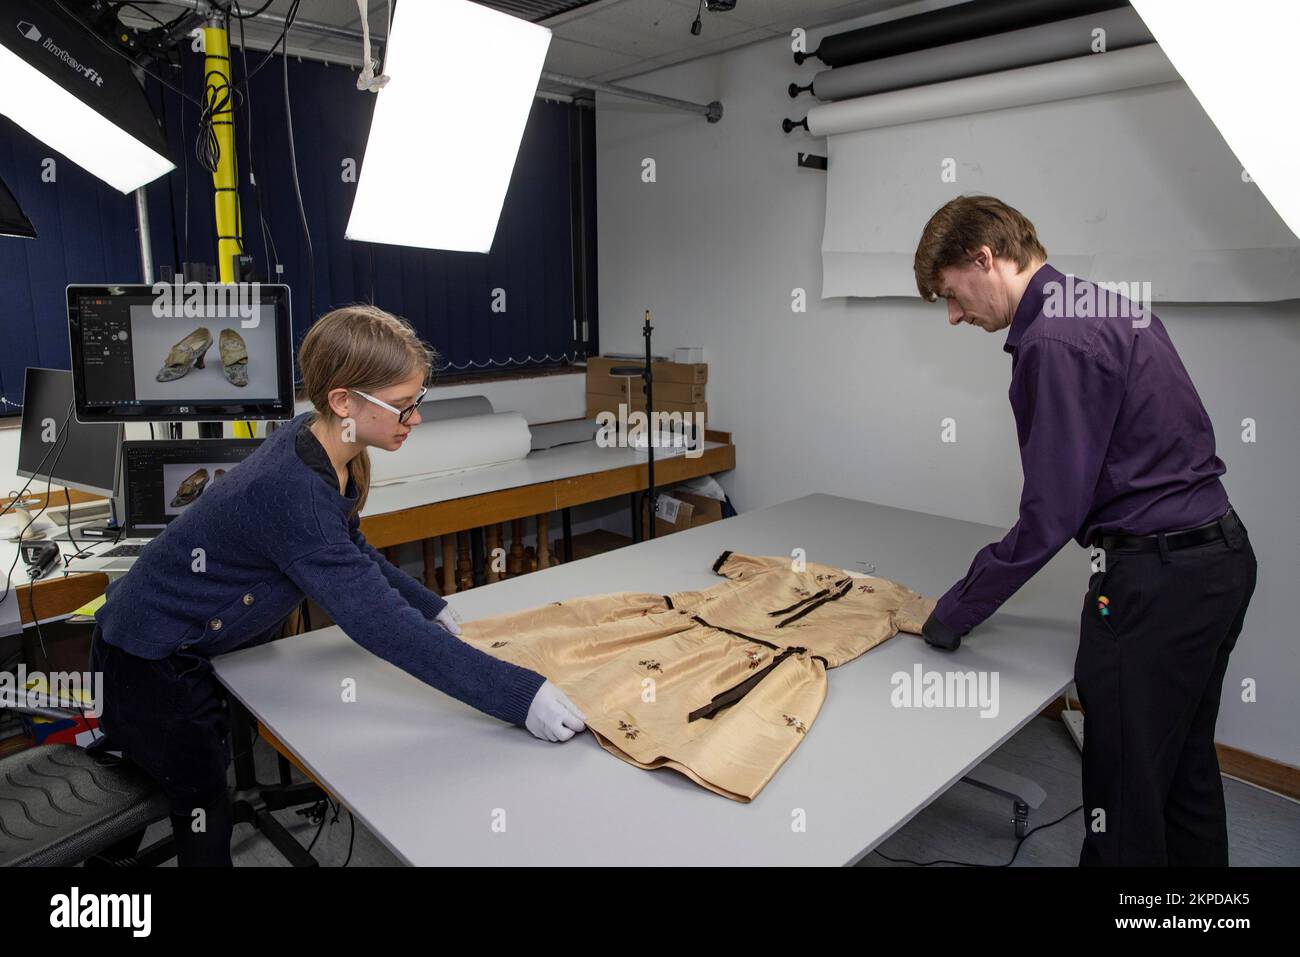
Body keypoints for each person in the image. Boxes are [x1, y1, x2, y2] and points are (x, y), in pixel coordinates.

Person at [89, 304, 586, 866]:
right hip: (150, 657)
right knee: (199, 797)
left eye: (417, 401)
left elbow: (350, 549)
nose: (415, 419)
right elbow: (376, 625)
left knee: (159, 770)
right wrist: (519, 696)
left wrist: (425, 604)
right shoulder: (293, 489)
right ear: (344, 401)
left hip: (183, 642)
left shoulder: (325, 444)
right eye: (403, 406)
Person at [911, 195, 1257, 866]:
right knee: (1182, 772)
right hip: (1217, 560)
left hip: (1158, 584)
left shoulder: (1052, 340)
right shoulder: (1101, 304)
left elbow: (1051, 513)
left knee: (1122, 802)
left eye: (952, 295)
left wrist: (953, 610)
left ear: (985, 258)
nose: (955, 316)